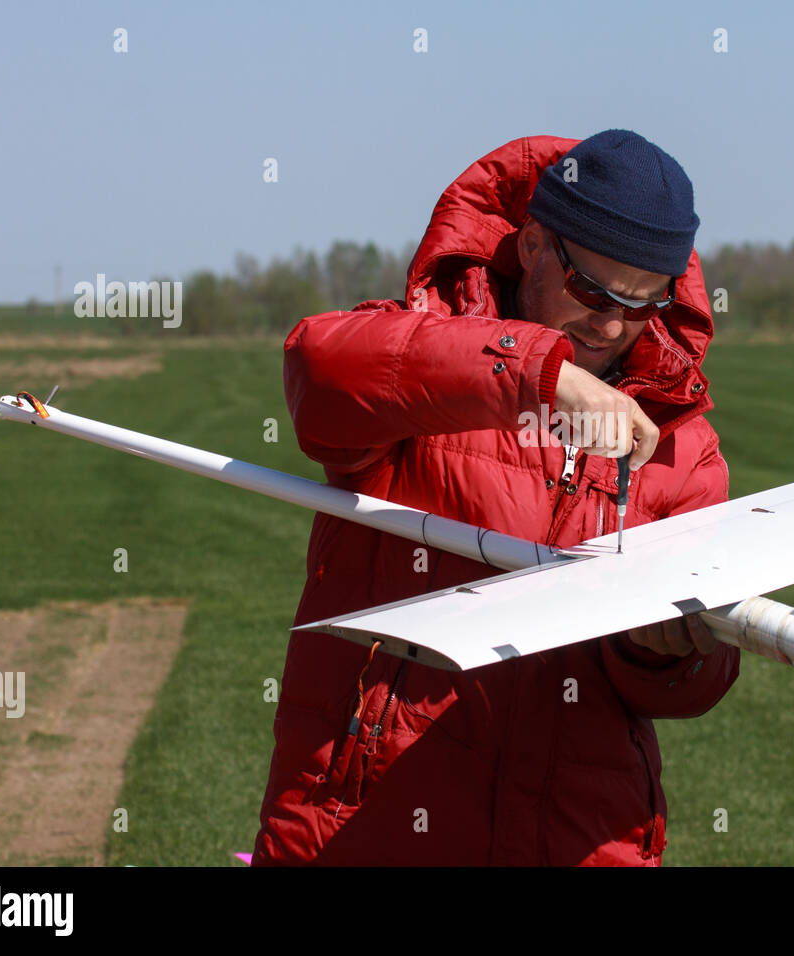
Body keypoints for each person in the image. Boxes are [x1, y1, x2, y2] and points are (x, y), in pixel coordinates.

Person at [252, 129, 739, 866]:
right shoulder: (419, 353)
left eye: (643, 304)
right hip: (370, 830)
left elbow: (691, 689)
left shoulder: (683, 442)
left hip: (579, 839)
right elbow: (320, 371)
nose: (611, 326)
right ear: (535, 244)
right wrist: (536, 372)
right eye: (592, 291)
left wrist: (666, 656)